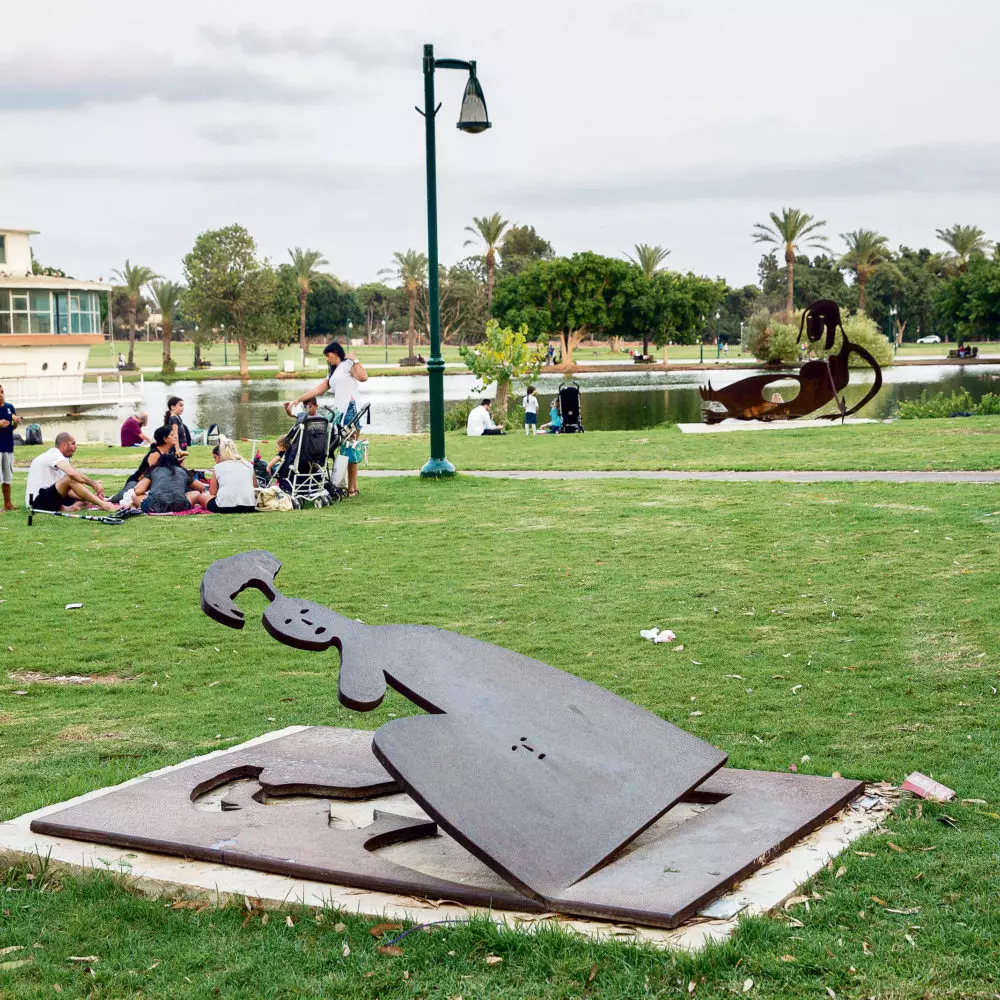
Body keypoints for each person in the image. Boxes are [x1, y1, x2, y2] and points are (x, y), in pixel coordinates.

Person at [285, 341, 368, 497]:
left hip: (351, 409)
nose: (327, 360)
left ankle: (352, 488)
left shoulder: (348, 364)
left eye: (328, 356)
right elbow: (317, 390)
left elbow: (363, 377)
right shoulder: (333, 373)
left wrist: (355, 360)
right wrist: (297, 400)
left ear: (335, 352)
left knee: (350, 447)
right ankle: (346, 485)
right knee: (339, 446)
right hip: (339, 412)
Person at [25, 432, 119, 513]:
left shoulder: (61, 460)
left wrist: (89, 496)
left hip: (48, 497)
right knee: (71, 479)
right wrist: (94, 485)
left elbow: (69, 488)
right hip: (36, 502)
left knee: (84, 499)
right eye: (73, 443)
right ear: (64, 445)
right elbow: (72, 475)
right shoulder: (53, 454)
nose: (76, 447)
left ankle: (69, 507)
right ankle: (104, 505)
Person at [127, 426, 207, 513]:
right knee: (196, 493)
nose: (175, 437)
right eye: (172, 435)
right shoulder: (181, 470)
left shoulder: (154, 470)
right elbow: (201, 487)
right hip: (180, 506)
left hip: (155, 507)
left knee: (134, 496)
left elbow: (138, 491)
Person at [207, 437, 257, 514]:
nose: (215, 461)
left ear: (220, 455)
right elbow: (255, 488)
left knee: (203, 497)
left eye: (215, 458)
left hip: (224, 507)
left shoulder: (218, 467)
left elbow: (212, 492)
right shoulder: (249, 465)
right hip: (249, 506)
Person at [0, 383, 21, 511]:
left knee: (7, 478)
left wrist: (15, 422)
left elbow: (12, 427)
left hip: (8, 447)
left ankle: (8, 504)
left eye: (2, 392)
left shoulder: (9, 407)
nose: (1, 395)